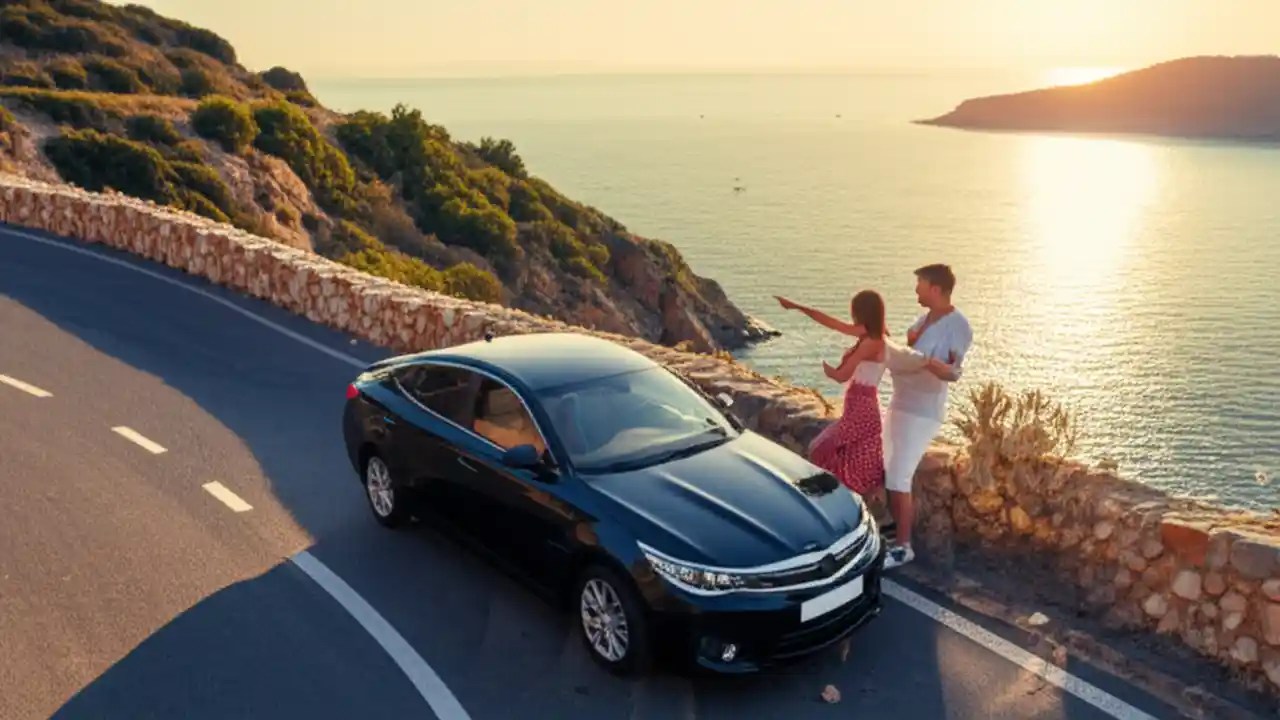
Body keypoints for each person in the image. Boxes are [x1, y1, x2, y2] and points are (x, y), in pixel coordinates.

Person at [777, 263, 972, 569]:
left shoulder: (958, 326)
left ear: (935, 288)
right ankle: (877, 526)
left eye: (920, 283)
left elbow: (952, 370)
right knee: (874, 466)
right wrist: (799, 307)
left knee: (896, 473)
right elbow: (892, 352)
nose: (915, 289)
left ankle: (903, 547)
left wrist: (937, 366)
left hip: (920, 411)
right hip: (896, 403)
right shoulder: (920, 322)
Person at [806, 290, 889, 498]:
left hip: (862, 406)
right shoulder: (870, 335)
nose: (852, 317)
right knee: (824, 450)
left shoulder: (873, 341)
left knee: (824, 449)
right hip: (857, 405)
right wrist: (800, 308)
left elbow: (843, 376)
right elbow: (834, 324)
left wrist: (830, 371)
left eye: (855, 312)